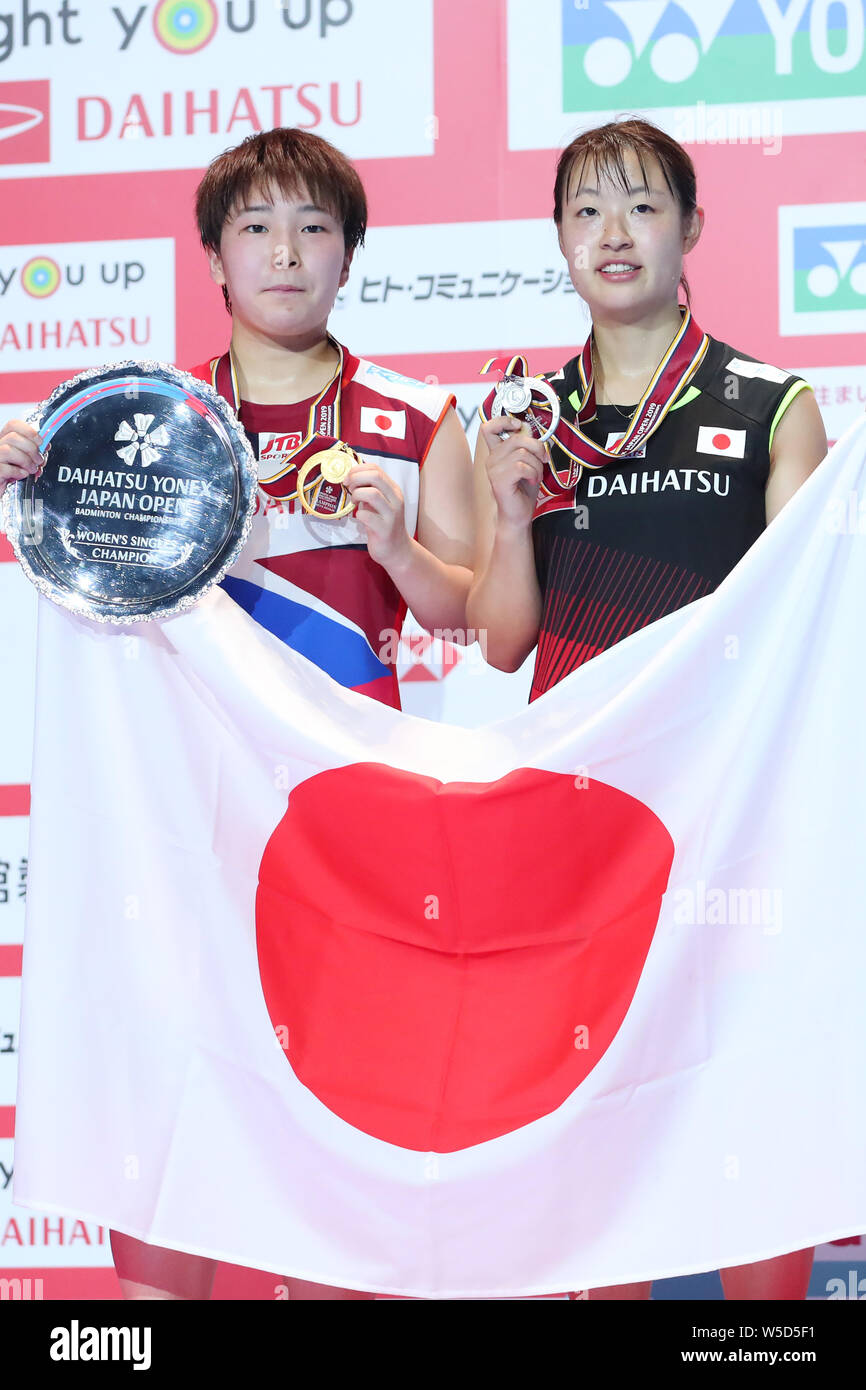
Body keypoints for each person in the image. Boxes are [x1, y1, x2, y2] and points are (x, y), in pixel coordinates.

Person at [0, 127, 475, 1301]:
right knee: (165, 1097)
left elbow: (471, 617)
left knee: (334, 1123)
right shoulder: (126, 428)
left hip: (347, 836)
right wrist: (24, 480)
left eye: (313, 226)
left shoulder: (417, 418)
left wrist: (393, 544)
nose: (283, 252)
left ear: (351, 252)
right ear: (211, 254)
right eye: (255, 226)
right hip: (173, 829)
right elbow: (67, 580)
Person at [466, 117, 827, 1301]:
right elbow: (504, 637)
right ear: (558, 239)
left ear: (691, 230)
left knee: (749, 1083)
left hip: (733, 808)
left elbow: (806, 627)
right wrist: (508, 513)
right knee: (595, 1101)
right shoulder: (521, 415)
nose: (611, 233)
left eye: (639, 207)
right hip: (578, 817)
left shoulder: (771, 405)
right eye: (584, 210)